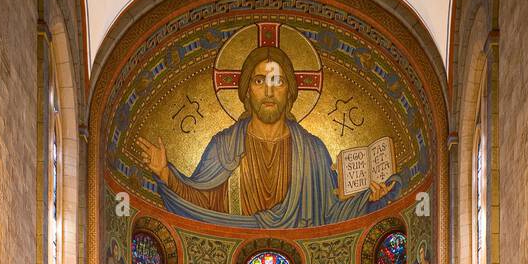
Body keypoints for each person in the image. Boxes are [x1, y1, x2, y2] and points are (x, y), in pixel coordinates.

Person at [135, 44, 398, 228]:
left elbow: (330, 215)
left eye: (278, 82)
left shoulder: (314, 151)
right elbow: (202, 203)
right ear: (247, 90)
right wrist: (166, 173)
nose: (269, 92)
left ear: (290, 92)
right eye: (260, 81)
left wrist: (368, 198)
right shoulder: (224, 146)